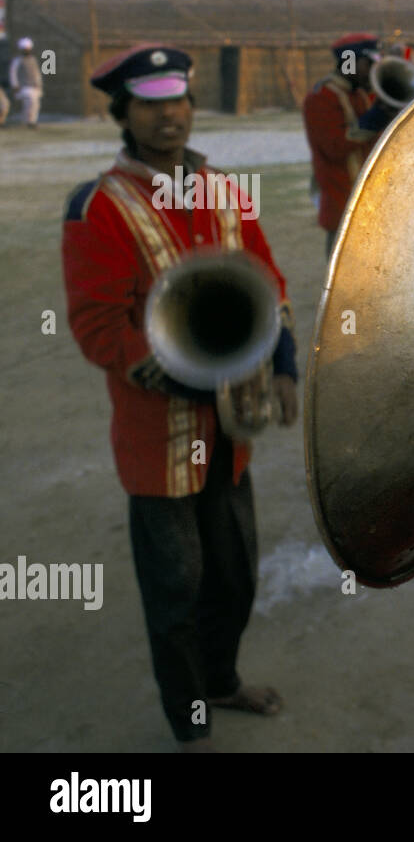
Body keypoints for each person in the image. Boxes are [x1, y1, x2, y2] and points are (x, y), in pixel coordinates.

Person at [62, 45, 298, 751]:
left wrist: (283, 364)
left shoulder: (224, 188)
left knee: (235, 577)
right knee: (176, 592)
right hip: (157, 441)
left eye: (179, 101)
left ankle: (220, 681)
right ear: (123, 114)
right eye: (151, 104)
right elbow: (98, 327)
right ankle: (190, 723)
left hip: (228, 435)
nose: (170, 116)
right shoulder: (97, 206)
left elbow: (267, 282)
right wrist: (206, 371)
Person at [302, 33, 379, 256]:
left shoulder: (361, 94)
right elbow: (334, 147)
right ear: (349, 62)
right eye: (368, 64)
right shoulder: (321, 97)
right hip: (341, 205)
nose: (373, 70)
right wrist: (374, 118)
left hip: (371, 203)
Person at [9, 37, 43, 129]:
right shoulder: (17, 60)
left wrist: (39, 84)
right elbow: (13, 73)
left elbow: (37, 73)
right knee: (30, 102)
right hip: (23, 86)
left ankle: (32, 121)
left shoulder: (33, 59)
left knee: (36, 104)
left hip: (34, 86)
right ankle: (29, 121)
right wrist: (15, 85)